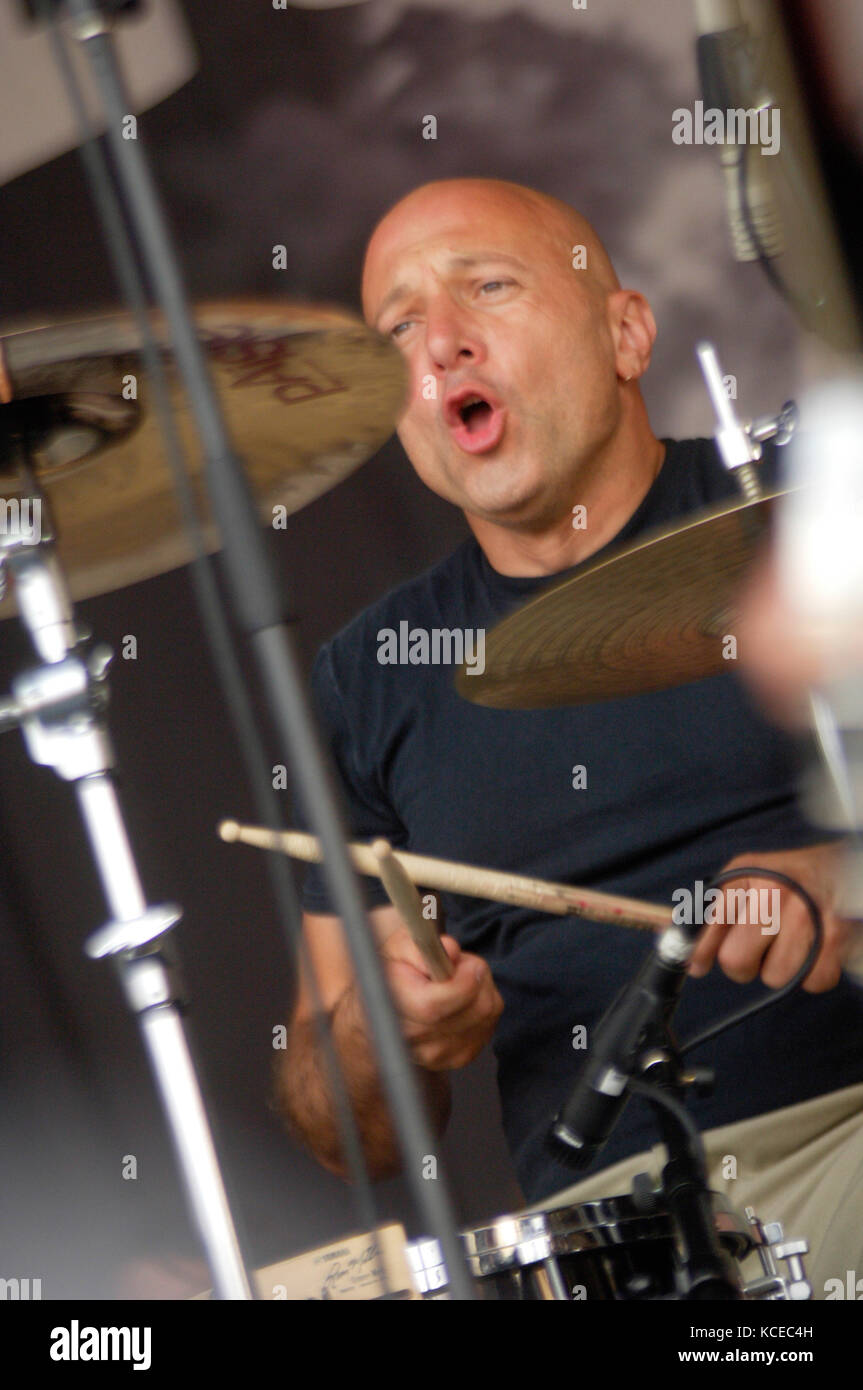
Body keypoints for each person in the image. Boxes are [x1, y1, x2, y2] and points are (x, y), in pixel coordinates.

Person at [277, 178, 863, 1296]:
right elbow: (340, 1126)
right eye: (398, 327)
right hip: (605, 1238)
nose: (439, 341)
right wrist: (377, 1035)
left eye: (486, 287)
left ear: (624, 331)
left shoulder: (804, 515)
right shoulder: (365, 679)